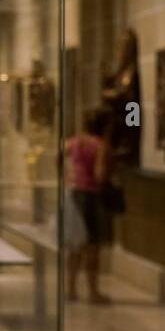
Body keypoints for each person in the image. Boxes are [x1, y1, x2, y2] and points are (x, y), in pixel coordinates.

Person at [66, 108, 112, 304]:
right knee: (93, 246)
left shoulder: (73, 142)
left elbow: (58, 159)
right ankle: (93, 291)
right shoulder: (101, 145)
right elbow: (99, 173)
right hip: (91, 196)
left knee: (75, 245)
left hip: (75, 193)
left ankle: (70, 289)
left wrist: (70, 177)